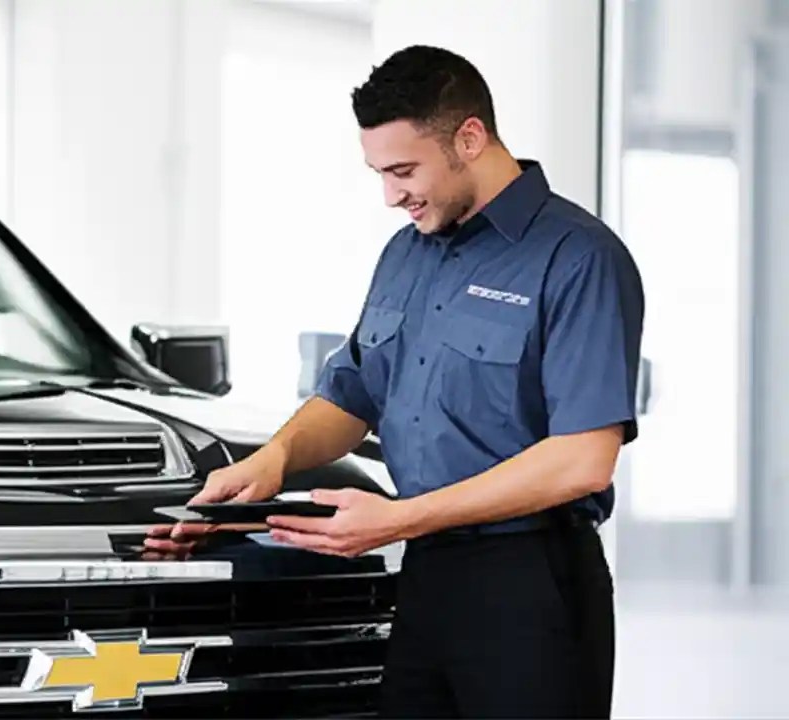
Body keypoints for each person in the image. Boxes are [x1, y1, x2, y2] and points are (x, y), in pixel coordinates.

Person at [145, 44, 643, 718]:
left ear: (469, 137)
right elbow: (352, 395)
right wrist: (273, 461)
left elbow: (584, 459)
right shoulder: (406, 252)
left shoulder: (578, 257)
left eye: (404, 171)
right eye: (378, 173)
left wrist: (399, 519)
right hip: (426, 581)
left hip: (533, 587)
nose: (390, 195)